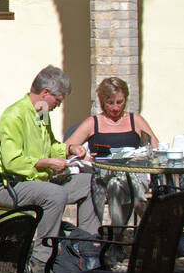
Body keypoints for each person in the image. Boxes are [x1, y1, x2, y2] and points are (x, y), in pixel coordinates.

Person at [0, 65, 101, 273]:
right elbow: (13, 161)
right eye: (58, 101)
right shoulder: (13, 116)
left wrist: (69, 150)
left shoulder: (41, 111)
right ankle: (41, 259)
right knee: (55, 194)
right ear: (45, 93)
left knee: (93, 182)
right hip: (12, 184)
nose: (57, 106)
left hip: (42, 180)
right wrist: (47, 163)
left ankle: (86, 248)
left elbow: (50, 145)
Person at [65, 76, 159, 228]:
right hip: (105, 173)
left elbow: (155, 147)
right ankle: (144, 215)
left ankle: (117, 236)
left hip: (134, 171)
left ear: (126, 100)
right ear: (102, 101)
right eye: (110, 103)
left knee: (118, 184)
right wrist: (85, 156)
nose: (115, 108)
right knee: (116, 183)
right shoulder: (93, 123)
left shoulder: (135, 120)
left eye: (119, 102)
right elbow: (66, 147)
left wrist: (140, 155)